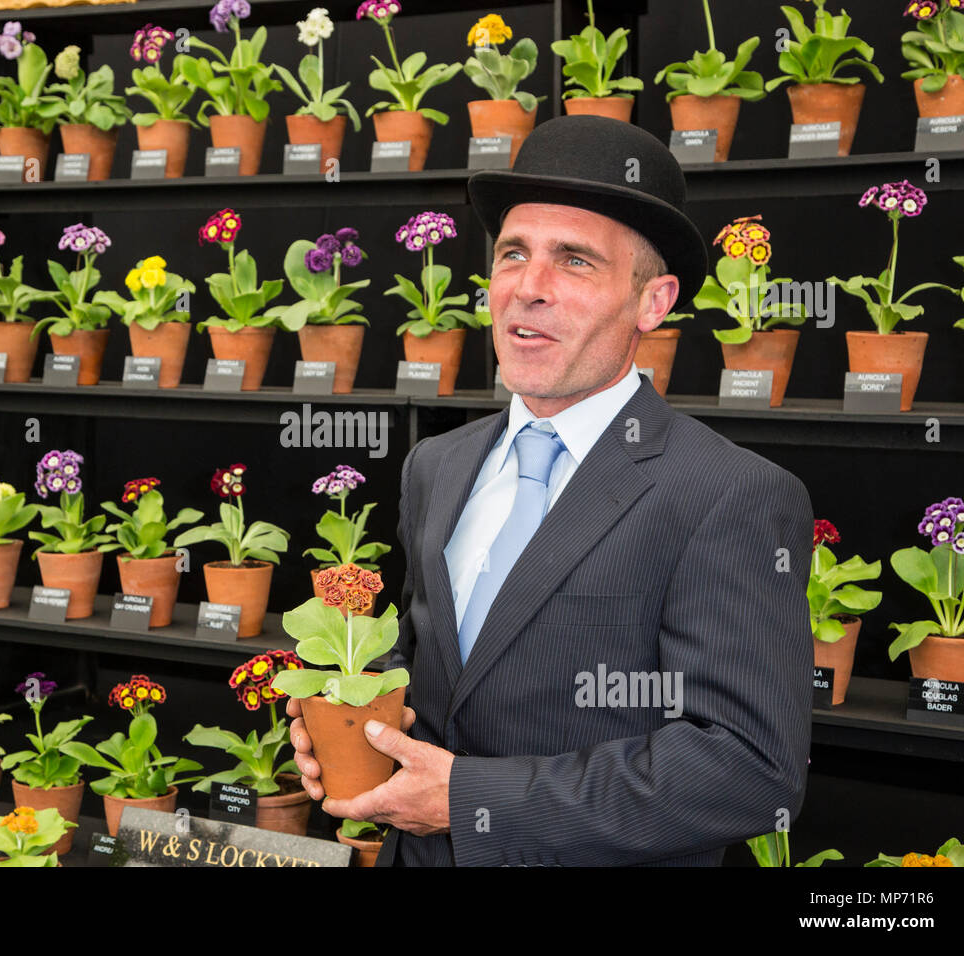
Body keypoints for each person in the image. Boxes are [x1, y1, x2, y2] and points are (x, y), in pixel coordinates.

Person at [286, 115, 814, 866]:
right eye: (513, 254)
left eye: (574, 261)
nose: (529, 289)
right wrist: (350, 717)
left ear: (653, 302)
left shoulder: (729, 495)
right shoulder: (435, 465)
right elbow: (436, 670)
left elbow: (750, 771)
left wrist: (471, 801)